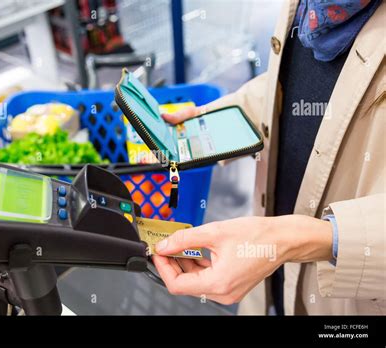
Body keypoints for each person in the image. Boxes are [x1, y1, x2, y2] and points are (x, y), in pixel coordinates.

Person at [153, 0, 385, 315]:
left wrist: (298, 239)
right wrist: (212, 125)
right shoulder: (311, 9)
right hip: (270, 283)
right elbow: (300, 81)